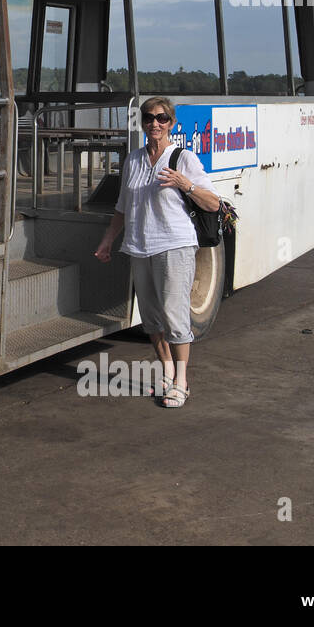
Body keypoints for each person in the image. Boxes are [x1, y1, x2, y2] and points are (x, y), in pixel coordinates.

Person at [93, 96, 221, 408]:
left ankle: (181, 382)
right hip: (140, 246)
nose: (155, 124)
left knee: (175, 316)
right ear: (142, 122)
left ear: (171, 123)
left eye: (162, 118)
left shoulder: (183, 158)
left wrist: (183, 183)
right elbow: (123, 207)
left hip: (174, 245)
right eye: (149, 118)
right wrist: (108, 239)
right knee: (151, 319)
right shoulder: (133, 160)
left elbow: (213, 203)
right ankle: (166, 371)